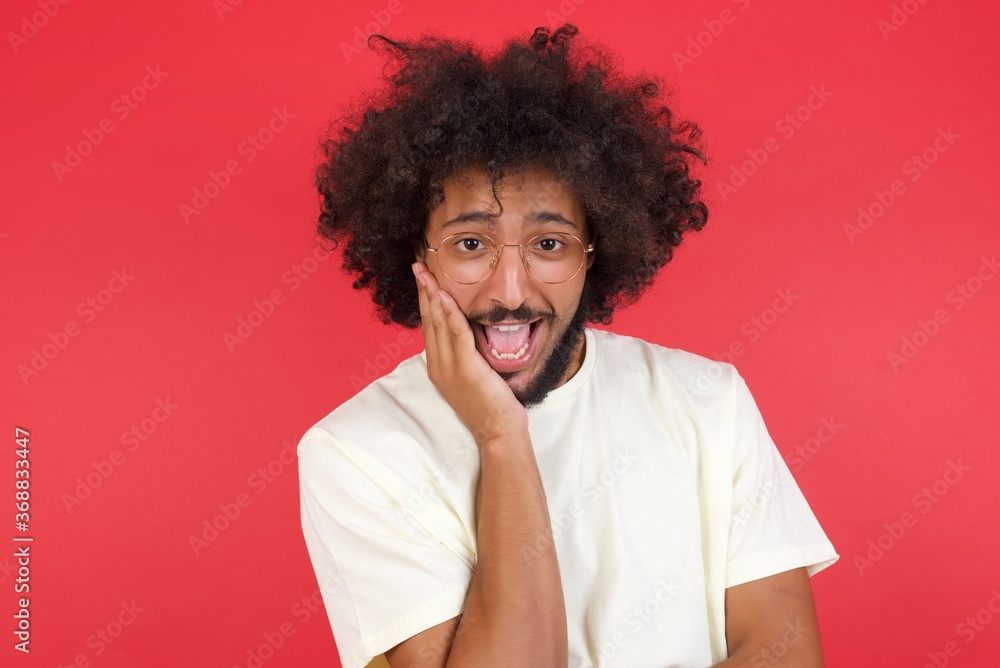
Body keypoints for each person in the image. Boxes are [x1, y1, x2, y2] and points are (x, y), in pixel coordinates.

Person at [297, 23, 839, 668]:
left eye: (548, 244)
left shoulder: (707, 403)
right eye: (471, 243)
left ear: (594, 252)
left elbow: (785, 653)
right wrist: (501, 438)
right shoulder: (357, 452)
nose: (510, 289)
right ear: (418, 256)